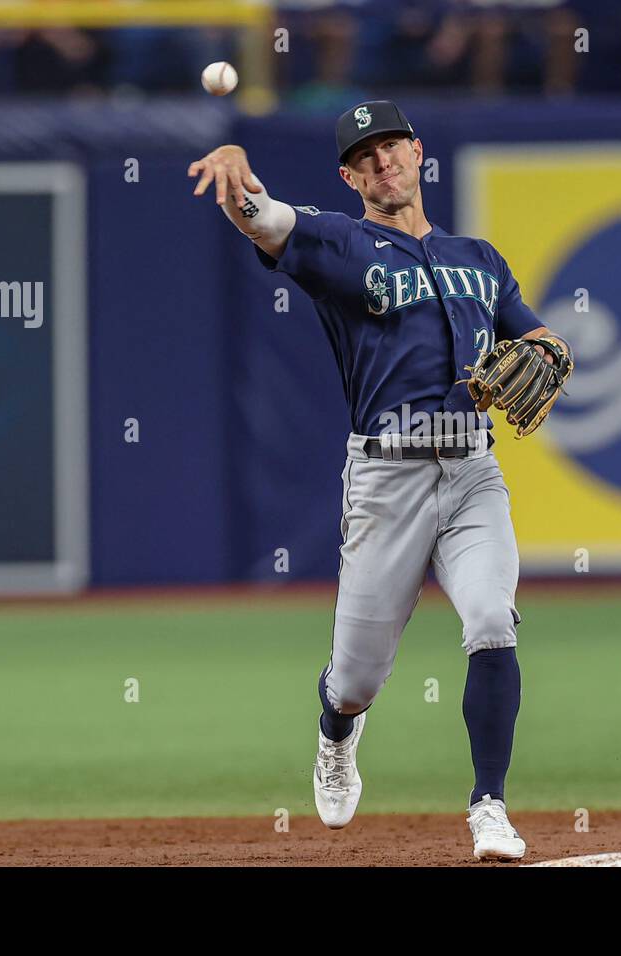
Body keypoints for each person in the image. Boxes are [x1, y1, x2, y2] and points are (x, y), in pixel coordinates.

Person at [188, 100, 570, 861]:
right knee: (357, 680)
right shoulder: (339, 240)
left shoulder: (479, 258)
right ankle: (337, 731)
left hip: (471, 473)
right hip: (385, 481)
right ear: (348, 175)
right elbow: (262, 219)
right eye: (365, 156)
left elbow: (539, 338)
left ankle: (488, 807)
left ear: (419, 153)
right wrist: (233, 163)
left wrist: (550, 351)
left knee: (492, 620)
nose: (382, 163)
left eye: (392, 147)